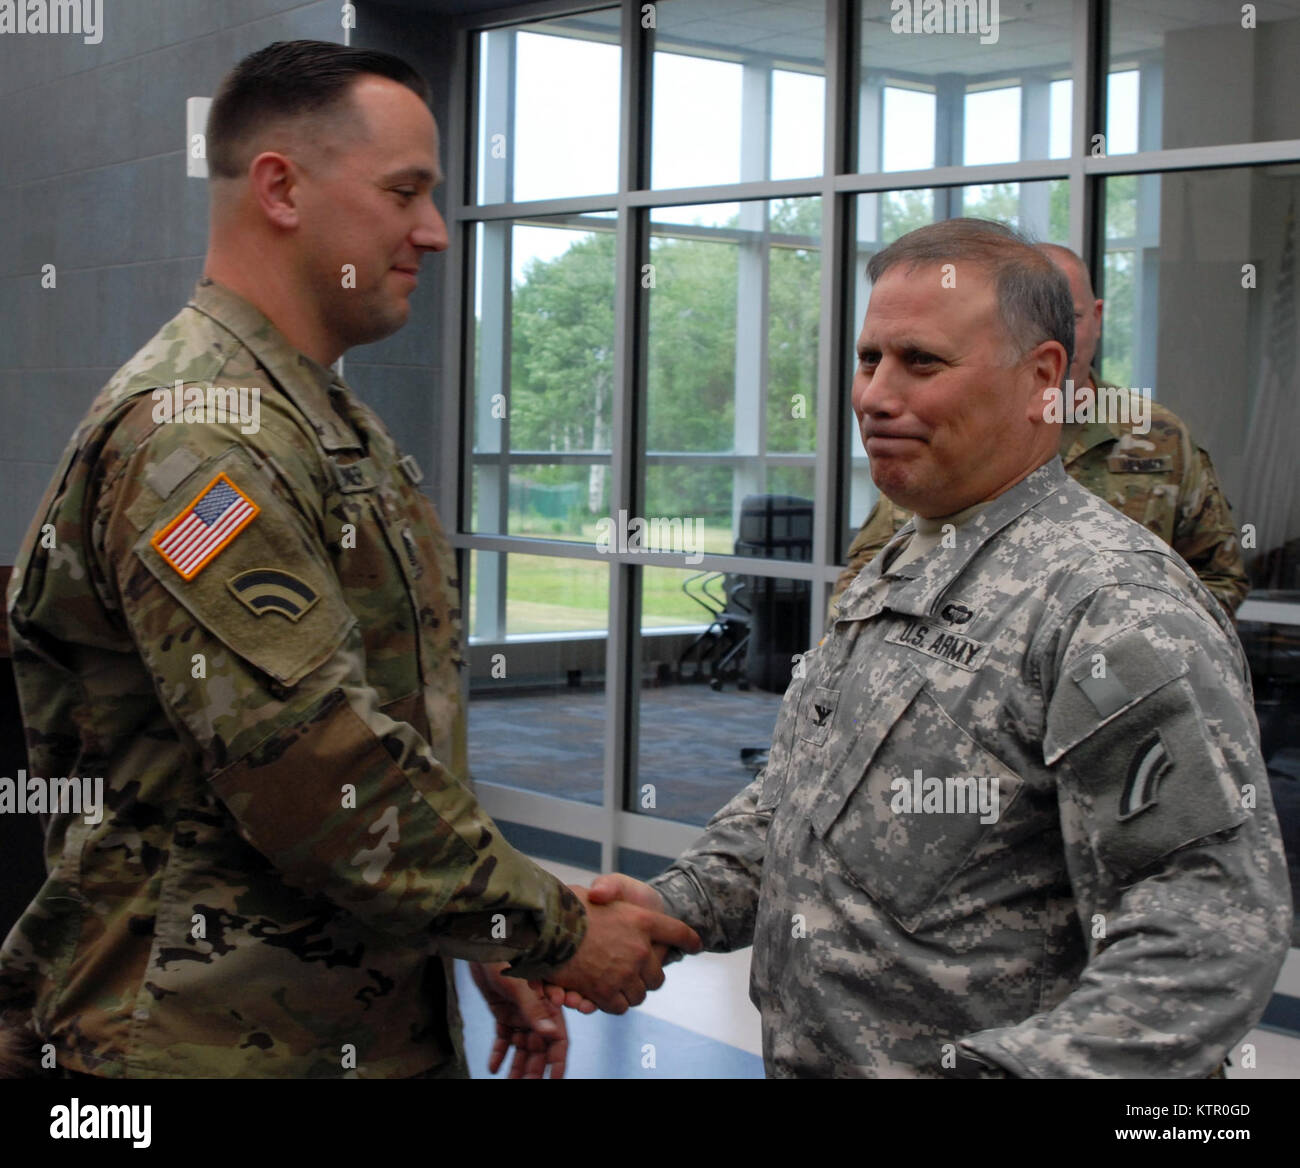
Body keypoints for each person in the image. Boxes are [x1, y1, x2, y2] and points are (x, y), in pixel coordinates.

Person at [0, 40, 698, 1081]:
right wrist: (552, 931)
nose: (435, 232)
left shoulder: (320, 418)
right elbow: (318, 773)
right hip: (198, 1044)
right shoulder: (203, 438)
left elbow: (388, 742)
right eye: (405, 192)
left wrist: (475, 935)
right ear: (280, 187)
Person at [582, 219, 1292, 1077]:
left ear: (1042, 381)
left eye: (922, 363)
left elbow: (1210, 929)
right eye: (868, 358)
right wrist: (674, 904)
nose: (875, 396)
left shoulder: (1113, 605)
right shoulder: (900, 565)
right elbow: (803, 803)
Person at [827, 242, 1249, 624]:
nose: (1056, 336)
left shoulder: (1157, 435)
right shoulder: (960, 437)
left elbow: (1216, 571)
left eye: (1071, 319)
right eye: (870, 359)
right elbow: (875, 562)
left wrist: (1136, 633)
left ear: (1097, 319)